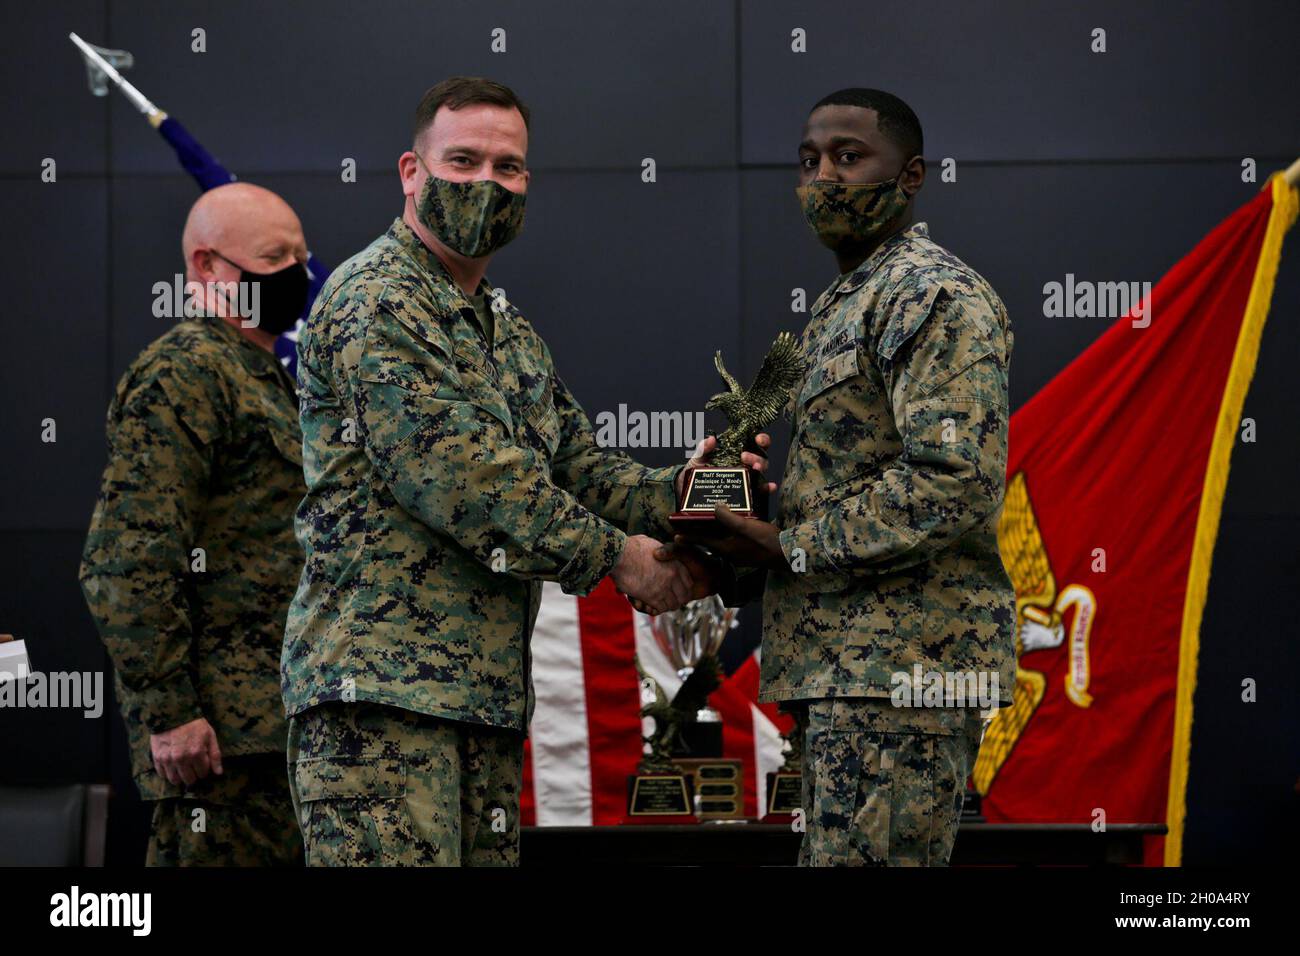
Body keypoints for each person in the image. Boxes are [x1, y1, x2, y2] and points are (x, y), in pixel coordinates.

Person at [283, 76, 768, 866]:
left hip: (479, 703)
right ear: (412, 172)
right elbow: (465, 477)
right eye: (463, 161)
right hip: (379, 704)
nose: (485, 184)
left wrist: (692, 496)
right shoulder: (376, 300)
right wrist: (621, 557)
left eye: (506, 168)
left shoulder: (504, 330)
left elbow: (577, 467)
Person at [676, 88, 1016, 866]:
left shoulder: (933, 294)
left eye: (849, 157)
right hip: (851, 674)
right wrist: (742, 530)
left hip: (903, 678)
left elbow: (951, 482)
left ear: (912, 175)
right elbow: (850, 484)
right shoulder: (847, 302)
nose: (824, 176)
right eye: (809, 161)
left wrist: (787, 542)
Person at [79, 182, 311, 866]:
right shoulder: (184, 371)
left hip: (284, 727)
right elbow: (125, 560)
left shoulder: (267, 377)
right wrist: (170, 710)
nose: (296, 274)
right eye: (275, 257)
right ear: (208, 268)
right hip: (219, 748)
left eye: (301, 254)